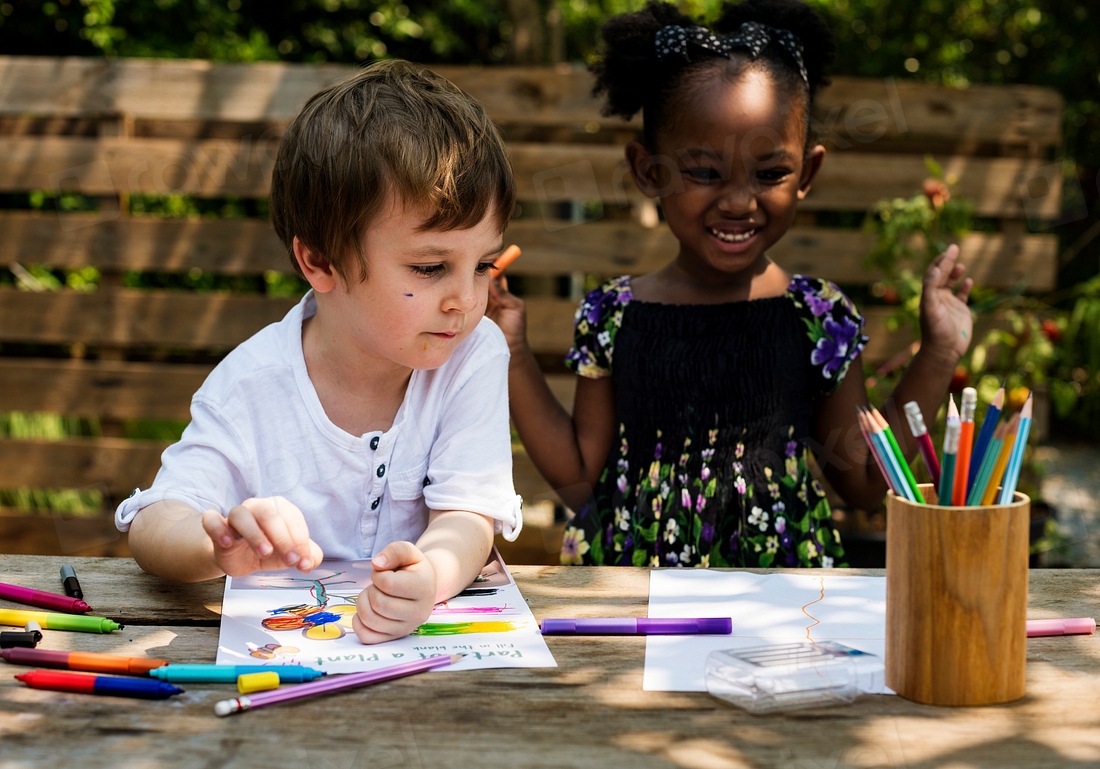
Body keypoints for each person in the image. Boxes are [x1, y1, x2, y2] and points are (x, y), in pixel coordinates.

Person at [488, 0, 972, 568]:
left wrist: (939, 352)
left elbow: (863, 482)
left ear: (807, 174)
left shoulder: (820, 316)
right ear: (649, 171)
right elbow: (578, 483)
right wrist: (514, 350)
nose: (740, 201)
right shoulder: (612, 315)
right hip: (635, 599)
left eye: (770, 174)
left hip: (783, 603)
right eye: (704, 172)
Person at [116, 60, 523, 642]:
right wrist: (218, 544)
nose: (465, 298)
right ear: (320, 263)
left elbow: (466, 516)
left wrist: (430, 574)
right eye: (430, 267)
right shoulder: (251, 383)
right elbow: (156, 522)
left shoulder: (471, 354)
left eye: (482, 264)